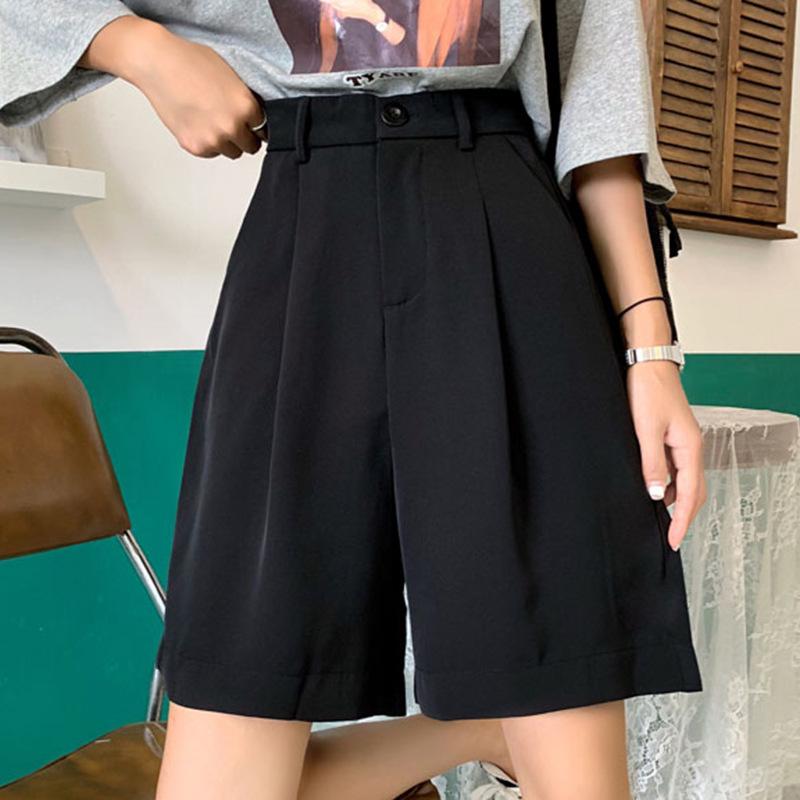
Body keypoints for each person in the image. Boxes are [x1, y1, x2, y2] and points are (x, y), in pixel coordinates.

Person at [0, 1, 707, 798]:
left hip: (503, 232)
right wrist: (137, 47)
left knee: (574, 774)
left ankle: (508, 726)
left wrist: (652, 350)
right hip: (303, 227)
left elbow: (597, 85)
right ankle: (477, 731)